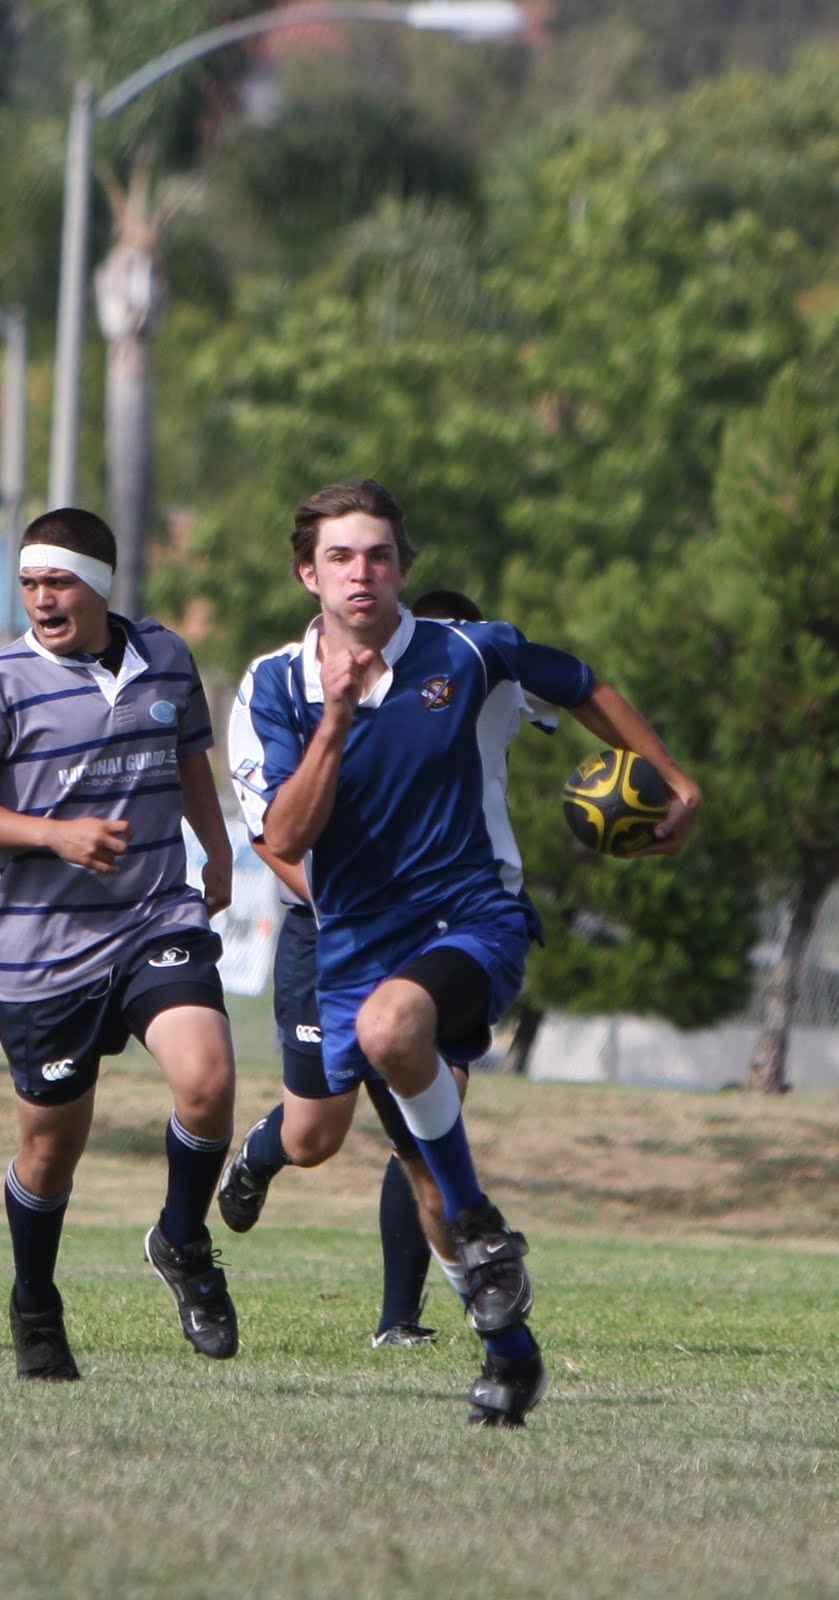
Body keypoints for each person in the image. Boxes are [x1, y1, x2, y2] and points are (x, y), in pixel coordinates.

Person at [226, 478, 701, 1426]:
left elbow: (585, 685)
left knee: (394, 1026)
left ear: (403, 565)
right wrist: (335, 719)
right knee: (415, 1173)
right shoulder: (273, 685)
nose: (360, 573)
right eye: (339, 558)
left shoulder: (469, 652)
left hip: (472, 920)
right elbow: (283, 835)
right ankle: (510, 1352)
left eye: (378, 555)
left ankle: (482, 1225)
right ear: (305, 574)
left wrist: (673, 779)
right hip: (354, 939)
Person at [0, 507, 239, 1381]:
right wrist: (51, 835)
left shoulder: (167, 658)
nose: (41, 599)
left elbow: (185, 757)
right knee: (50, 1149)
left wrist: (213, 848)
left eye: (58, 581)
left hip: (154, 918)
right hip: (45, 953)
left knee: (208, 1080)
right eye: (29, 583)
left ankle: (181, 1238)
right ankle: (34, 1298)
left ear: (98, 584)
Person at [222, 586, 556, 1349]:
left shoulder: (474, 681)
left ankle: (408, 1318)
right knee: (315, 1137)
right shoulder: (290, 689)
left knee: (427, 1120)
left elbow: (556, 690)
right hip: (327, 930)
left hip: (443, 929)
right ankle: (256, 1156)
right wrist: (353, 908)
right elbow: (274, 840)